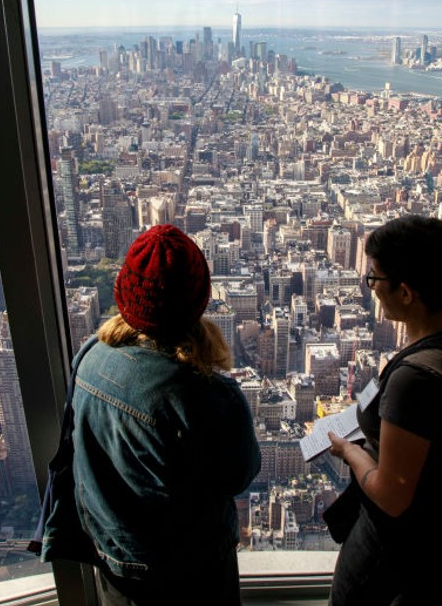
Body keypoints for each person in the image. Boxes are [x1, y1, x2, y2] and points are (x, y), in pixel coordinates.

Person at [71, 224, 260, 606]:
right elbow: (240, 474)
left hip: (115, 567)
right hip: (193, 576)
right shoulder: (209, 397)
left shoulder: (88, 359)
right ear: (199, 302)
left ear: (125, 295)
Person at [327, 215, 442, 605]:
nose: (371, 287)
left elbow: (392, 496)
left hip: (395, 553)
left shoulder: (415, 382)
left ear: (406, 293)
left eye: (374, 278)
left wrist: (352, 452)